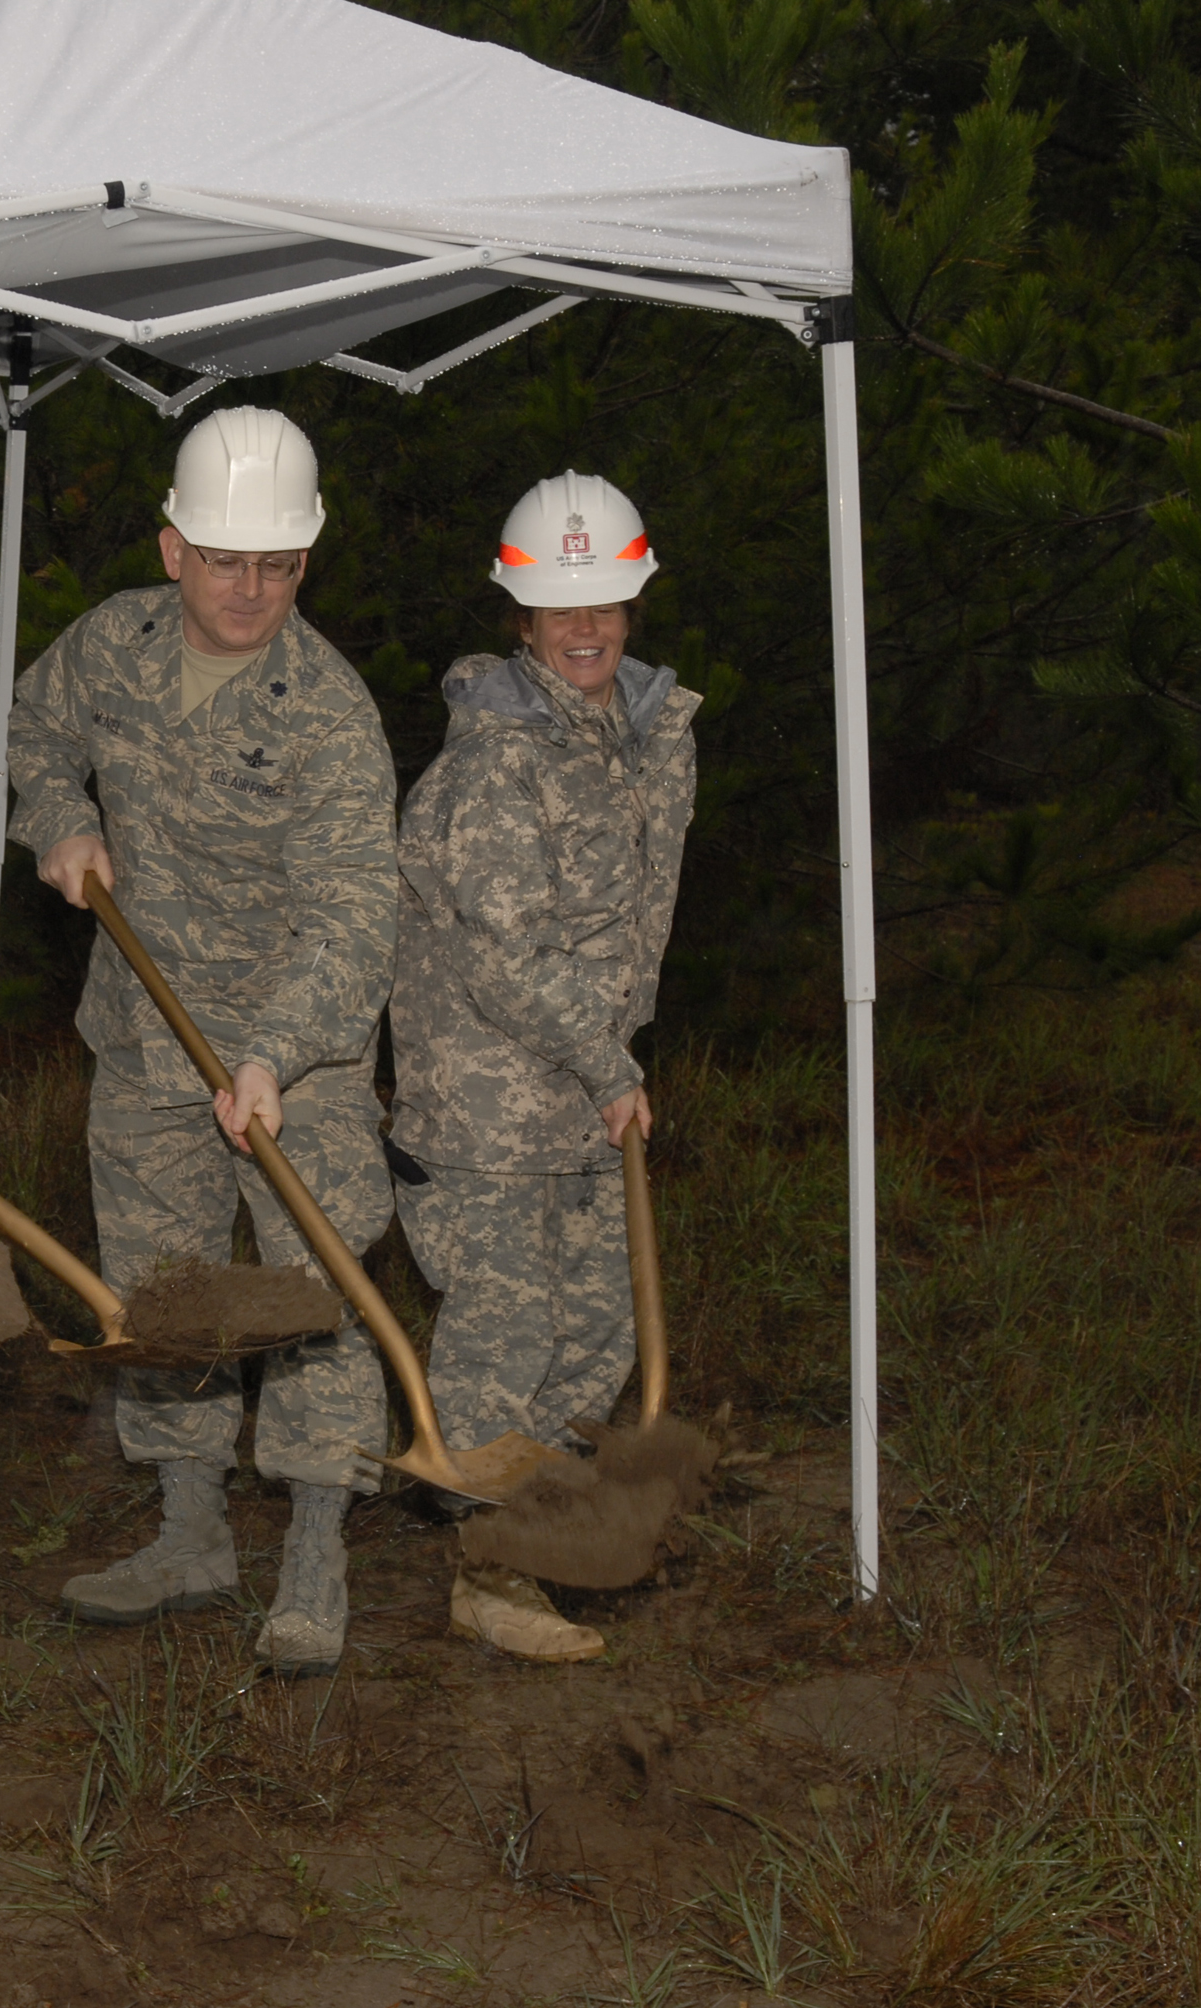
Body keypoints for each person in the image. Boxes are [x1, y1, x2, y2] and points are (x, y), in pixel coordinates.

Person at [7, 407, 399, 1676]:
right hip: (145, 1032)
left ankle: (315, 1552)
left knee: (314, 1295)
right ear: (173, 548)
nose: (251, 589)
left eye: (278, 564)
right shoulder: (110, 645)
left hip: (298, 1058)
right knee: (165, 1292)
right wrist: (59, 819)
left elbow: (355, 919)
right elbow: (28, 731)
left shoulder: (328, 712)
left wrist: (273, 1053)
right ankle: (190, 1535)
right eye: (226, 560)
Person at [388, 469, 698, 1663]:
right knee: (503, 1345)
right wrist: (608, 1064)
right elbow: (505, 961)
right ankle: (488, 1576)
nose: (586, 628)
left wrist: (611, 1060)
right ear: (520, 615)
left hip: (586, 1091)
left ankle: (546, 1536)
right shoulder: (493, 764)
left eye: (605, 602)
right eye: (561, 607)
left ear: (633, 603)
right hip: (488, 1111)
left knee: (597, 1336)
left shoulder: (650, 735)